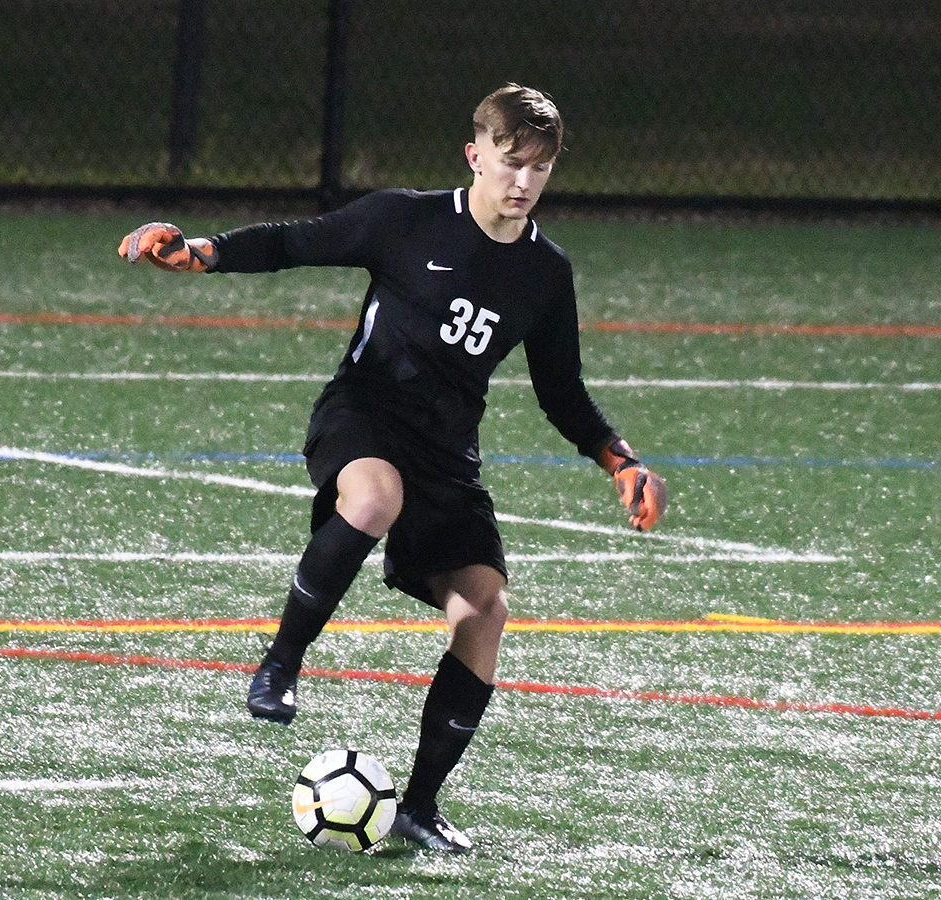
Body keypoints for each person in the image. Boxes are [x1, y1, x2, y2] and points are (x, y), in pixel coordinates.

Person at [118, 84, 666, 852]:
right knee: (374, 496)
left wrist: (620, 462)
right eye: (512, 162)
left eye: (540, 168)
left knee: (484, 612)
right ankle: (281, 663)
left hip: (447, 453)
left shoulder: (545, 274)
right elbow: (291, 241)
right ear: (475, 154)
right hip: (363, 414)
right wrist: (201, 253)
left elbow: (562, 392)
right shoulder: (403, 219)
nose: (524, 182)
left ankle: (418, 806)